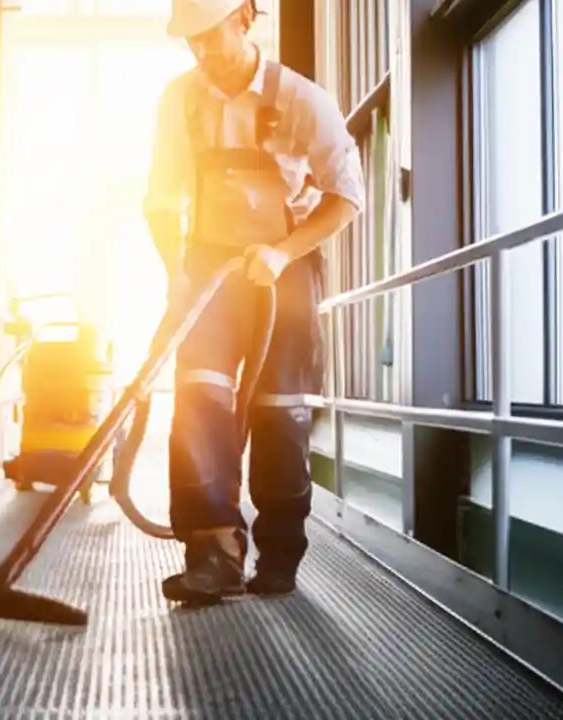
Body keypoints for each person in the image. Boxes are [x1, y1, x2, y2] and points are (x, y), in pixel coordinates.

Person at [144, 0, 365, 604]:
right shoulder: (180, 101)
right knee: (199, 403)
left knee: (278, 413)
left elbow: (346, 195)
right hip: (208, 265)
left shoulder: (301, 100)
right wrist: (176, 276)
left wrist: (283, 252)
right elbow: (161, 202)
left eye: (209, 36)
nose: (201, 53)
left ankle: (280, 551)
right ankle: (212, 553)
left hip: (282, 269)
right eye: (190, 42)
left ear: (244, 16)